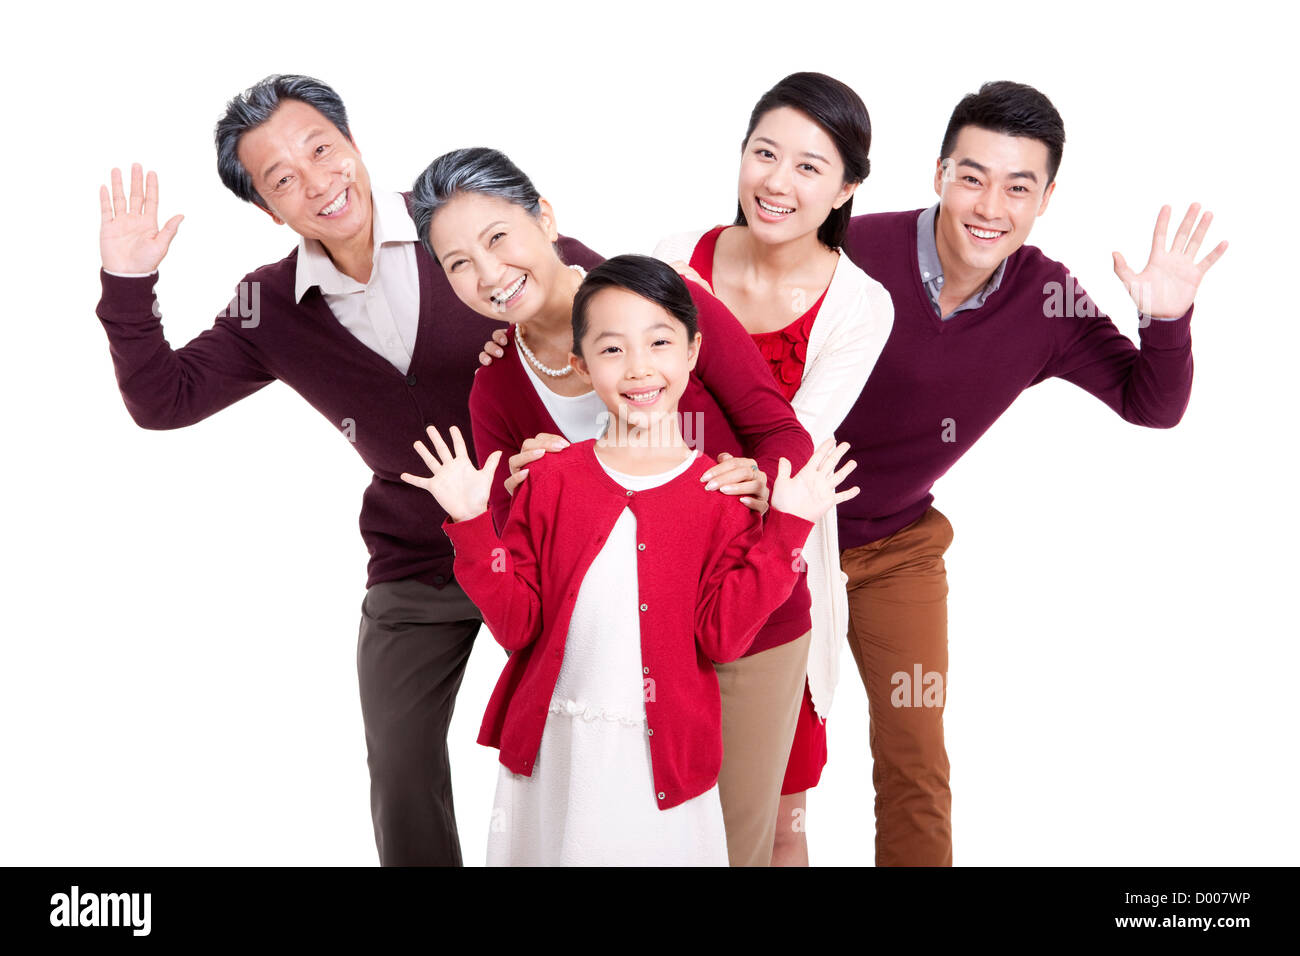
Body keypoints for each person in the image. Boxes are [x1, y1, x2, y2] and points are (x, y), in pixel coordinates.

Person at [93, 74, 601, 866]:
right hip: (419, 560)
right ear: (268, 210)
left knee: (584, 745)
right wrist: (129, 284)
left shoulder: (458, 227)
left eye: (322, 150)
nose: (317, 182)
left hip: (548, 543)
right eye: (282, 179)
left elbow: (605, 305)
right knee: (400, 770)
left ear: (355, 145)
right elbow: (164, 399)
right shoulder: (270, 307)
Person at [832, 80, 1227, 865]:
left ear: (1046, 199)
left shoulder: (1046, 300)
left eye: (1018, 187)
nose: (990, 207)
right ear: (939, 174)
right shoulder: (849, 250)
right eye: (972, 177)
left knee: (915, 760)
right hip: (780, 531)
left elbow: (1151, 403)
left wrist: (1167, 318)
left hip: (897, 546)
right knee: (771, 766)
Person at [410, 148, 819, 866]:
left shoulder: (657, 299)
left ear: (544, 217)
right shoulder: (496, 383)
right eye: (459, 263)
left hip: (742, 609)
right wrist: (520, 493)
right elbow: (519, 580)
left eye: (498, 237)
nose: (490, 273)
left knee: (746, 840)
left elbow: (779, 429)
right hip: (608, 671)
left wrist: (759, 484)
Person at [653, 71, 893, 867]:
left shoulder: (860, 305)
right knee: (665, 807)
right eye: (764, 153)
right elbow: (610, 379)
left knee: (779, 820)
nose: (777, 182)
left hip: (773, 569)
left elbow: (793, 447)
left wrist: (752, 470)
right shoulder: (674, 263)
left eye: (809, 166)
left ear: (846, 188)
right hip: (661, 558)